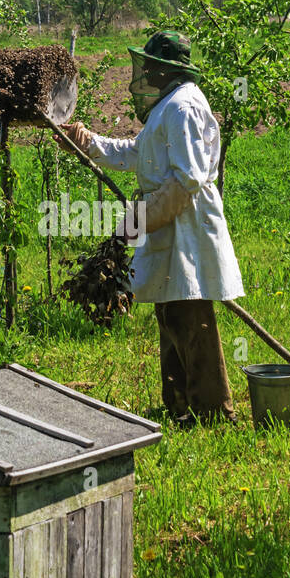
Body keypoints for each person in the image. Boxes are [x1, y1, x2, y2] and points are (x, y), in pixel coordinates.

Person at [61, 30, 244, 425]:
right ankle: (179, 405)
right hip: (168, 221)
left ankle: (213, 412)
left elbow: (188, 180)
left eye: (151, 66)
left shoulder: (183, 107)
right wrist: (87, 142)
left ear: (167, 70)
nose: (144, 73)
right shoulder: (168, 107)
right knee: (169, 311)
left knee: (190, 314)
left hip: (187, 226)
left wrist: (141, 219)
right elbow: (136, 152)